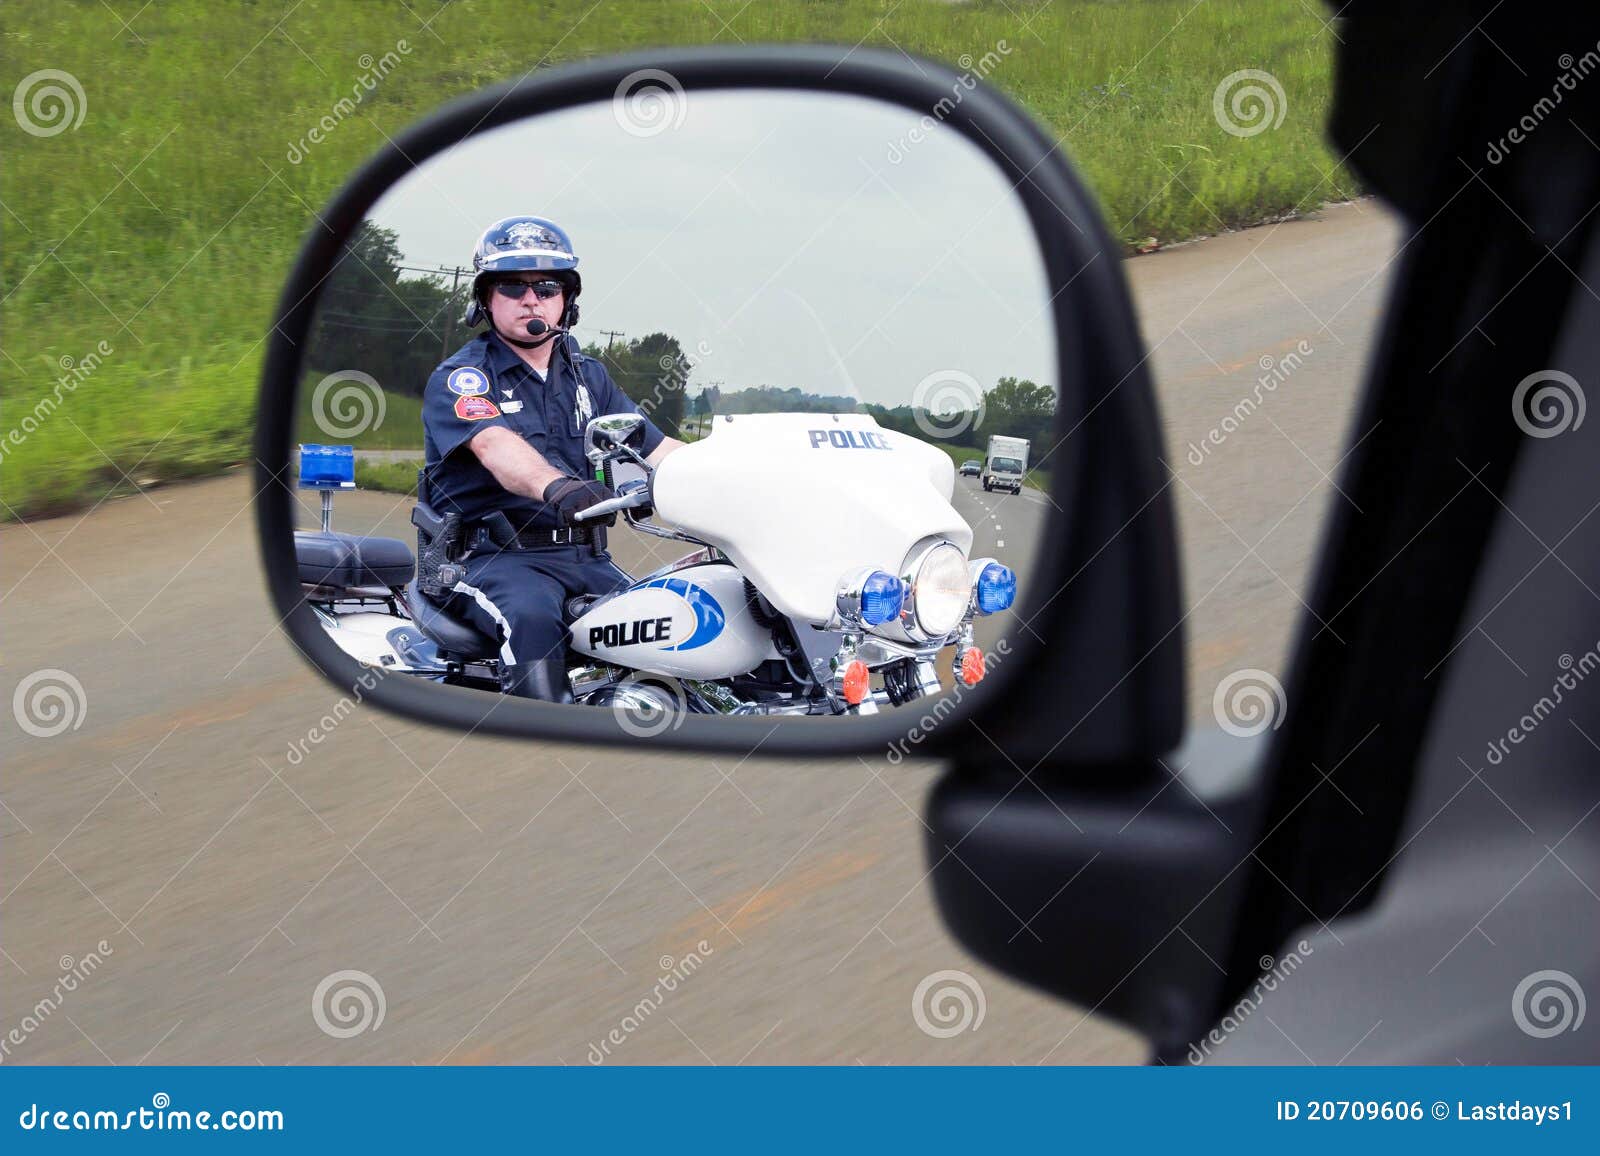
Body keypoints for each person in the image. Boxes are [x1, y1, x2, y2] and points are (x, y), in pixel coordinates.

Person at [420, 215, 684, 702]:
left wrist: (737, 475)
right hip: (492, 561)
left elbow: (657, 448)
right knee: (533, 619)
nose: (531, 299)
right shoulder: (463, 378)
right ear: (485, 299)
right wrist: (556, 485)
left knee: (665, 618)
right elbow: (498, 449)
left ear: (567, 299)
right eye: (511, 286)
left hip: (586, 556)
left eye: (546, 286)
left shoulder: (589, 377)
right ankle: (543, 734)